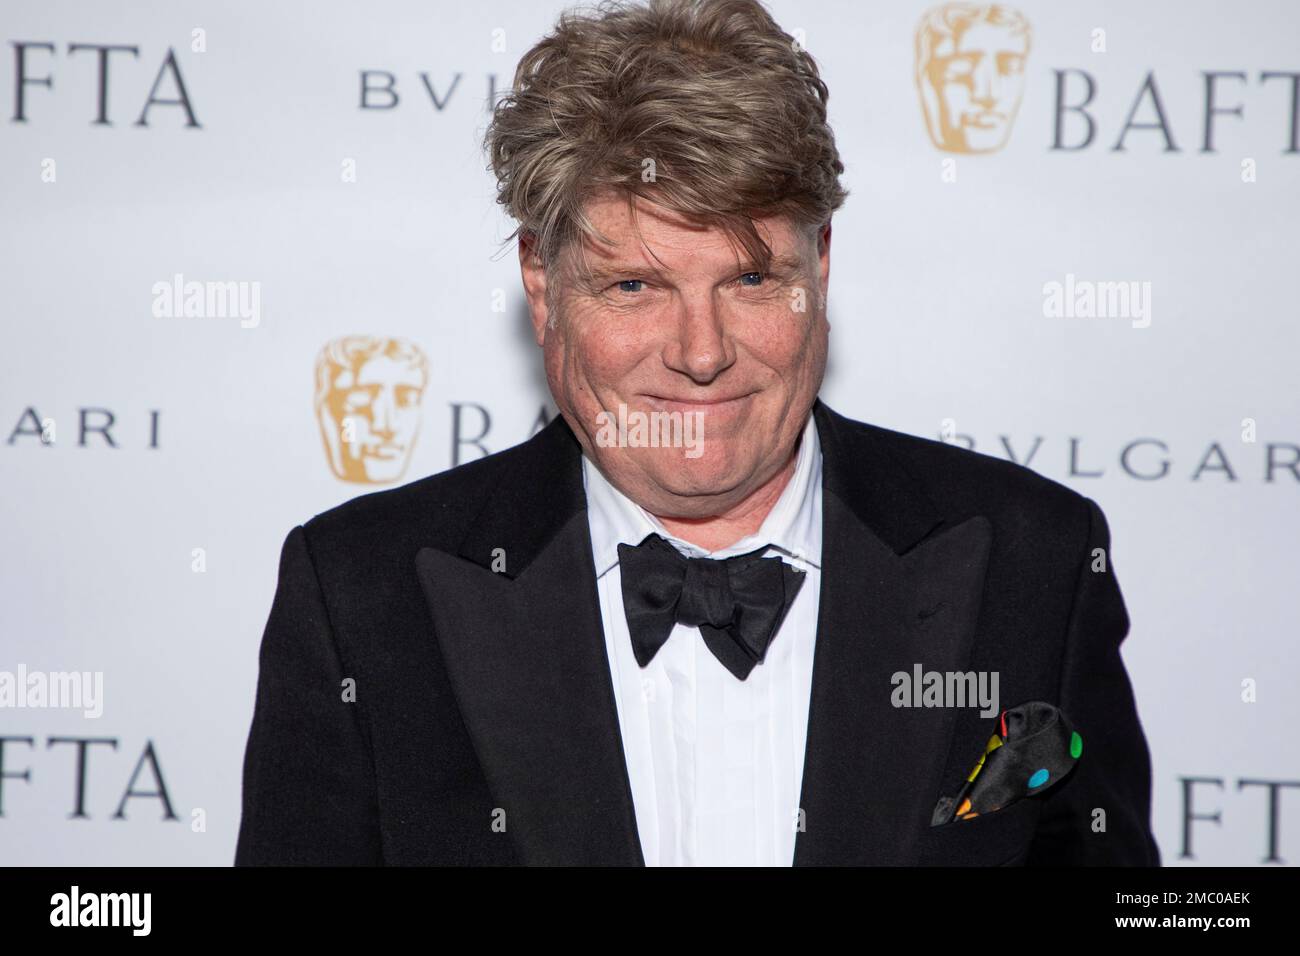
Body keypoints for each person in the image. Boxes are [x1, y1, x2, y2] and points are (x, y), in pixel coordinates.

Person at [235, 0, 1159, 866]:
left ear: (821, 267)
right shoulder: (362, 596)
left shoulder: (1034, 565)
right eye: (635, 286)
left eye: (751, 281)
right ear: (544, 287)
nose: (702, 353)